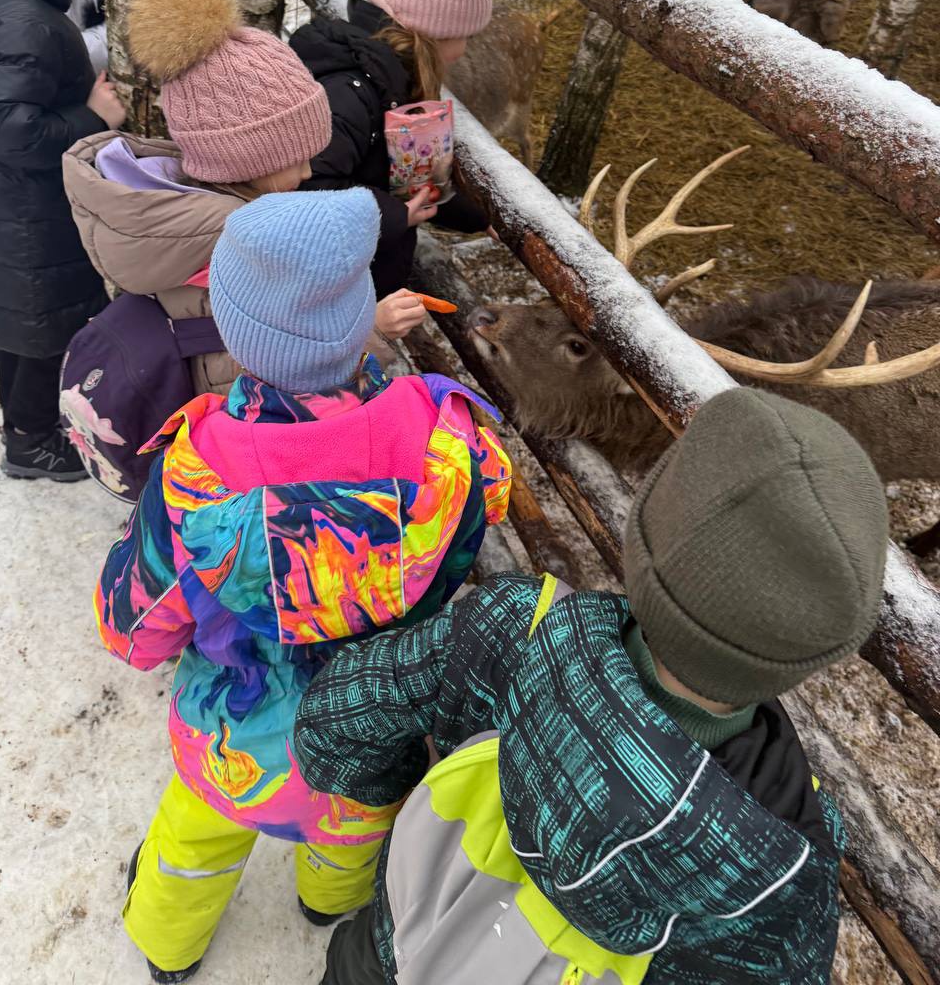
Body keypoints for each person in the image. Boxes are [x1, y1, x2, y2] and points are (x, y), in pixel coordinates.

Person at [295, 388, 889, 985]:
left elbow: (331, 724)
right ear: (814, 655)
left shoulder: (510, 628)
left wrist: (401, 789)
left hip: (391, 944)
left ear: (642, 537)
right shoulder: (780, 869)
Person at [94, 187, 512, 984]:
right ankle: (326, 903)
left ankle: (168, 946)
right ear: (361, 321)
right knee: (350, 834)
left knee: (195, 843)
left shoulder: (199, 468)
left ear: (240, 336)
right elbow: (462, 546)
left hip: (233, 739)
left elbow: (135, 617)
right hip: (370, 733)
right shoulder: (446, 438)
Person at [64, 0, 428, 400]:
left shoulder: (178, 205)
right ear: (245, 158)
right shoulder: (238, 241)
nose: (310, 173)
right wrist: (372, 330)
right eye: (296, 159)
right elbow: (266, 374)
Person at [0, 0, 125, 481]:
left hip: (11, 206)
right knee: (45, 329)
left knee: (24, 326)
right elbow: (7, 128)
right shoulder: (28, 22)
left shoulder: (19, 5)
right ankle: (34, 443)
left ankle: (25, 424)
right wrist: (94, 116)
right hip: (28, 211)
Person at [289, 0, 493, 299]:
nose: (466, 49)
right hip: (336, 288)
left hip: (361, 274)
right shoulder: (355, 89)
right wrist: (397, 216)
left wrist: (477, 218)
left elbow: (407, 174)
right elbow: (310, 186)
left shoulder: (397, 77)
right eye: (465, 35)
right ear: (436, 33)